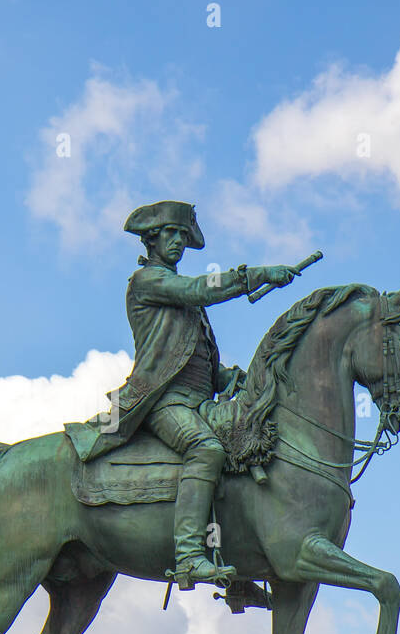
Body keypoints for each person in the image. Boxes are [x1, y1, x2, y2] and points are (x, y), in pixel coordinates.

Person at [66, 200, 299, 587]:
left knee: (245, 447)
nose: (178, 243)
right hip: (161, 402)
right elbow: (197, 290)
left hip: (200, 402)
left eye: (183, 237)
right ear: (151, 239)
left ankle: (238, 571)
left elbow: (189, 356)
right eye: (170, 235)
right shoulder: (150, 282)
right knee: (205, 450)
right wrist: (256, 275)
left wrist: (228, 378)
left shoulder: (181, 299)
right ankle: (190, 556)